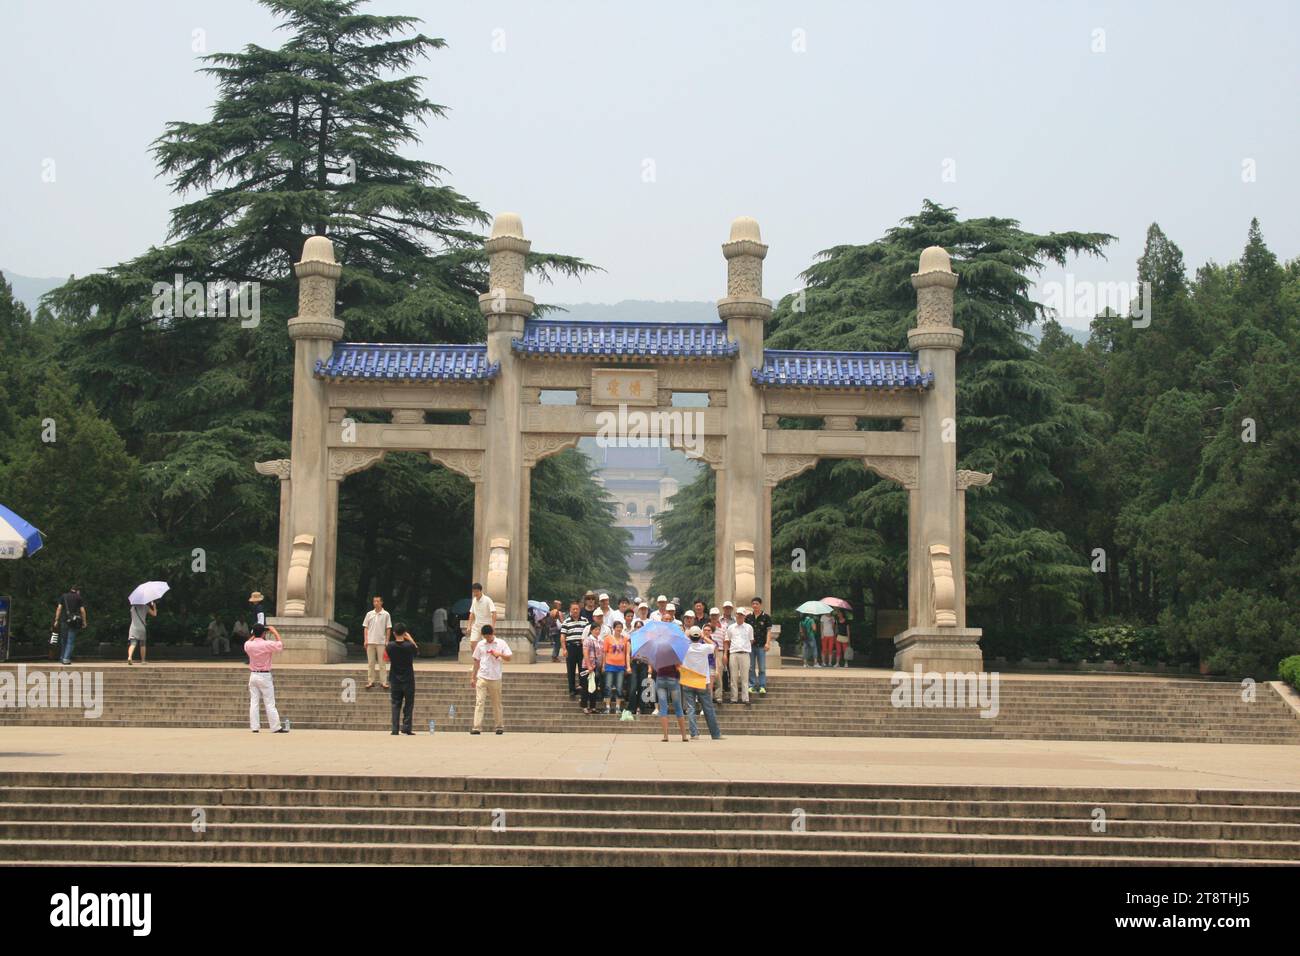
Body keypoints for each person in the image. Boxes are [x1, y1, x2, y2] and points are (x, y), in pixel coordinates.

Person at [245, 622, 288, 733]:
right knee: (269, 702)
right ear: (264, 633)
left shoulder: (248, 645)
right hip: (264, 675)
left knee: (254, 702)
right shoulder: (267, 644)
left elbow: (248, 642)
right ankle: (275, 727)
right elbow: (280, 645)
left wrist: (255, 634)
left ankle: (254, 727)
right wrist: (274, 631)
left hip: (253, 674)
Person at [681, 626, 722, 740]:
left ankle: (694, 733)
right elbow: (715, 646)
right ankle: (715, 734)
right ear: (699, 637)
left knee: (691, 708)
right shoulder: (705, 647)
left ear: (690, 637)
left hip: (688, 679)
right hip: (702, 680)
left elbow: (680, 641)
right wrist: (704, 636)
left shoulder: (685, 648)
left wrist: (687, 635)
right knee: (708, 708)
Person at [470, 624, 512, 734]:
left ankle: (499, 726)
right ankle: (476, 727)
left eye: (488, 637)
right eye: (485, 637)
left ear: (492, 633)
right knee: (479, 702)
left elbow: (509, 657)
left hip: (495, 677)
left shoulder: (501, 643)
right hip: (482, 676)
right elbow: (476, 661)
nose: (487, 639)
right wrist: (473, 677)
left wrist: (499, 654)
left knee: (496, 703)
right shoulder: (480, 644)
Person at [387, 623, 418, 735]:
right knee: (409, 704)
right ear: (405, 633)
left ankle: (395, 729)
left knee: (395, 703)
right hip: (408, 678)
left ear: (394, 633)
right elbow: (416, 651)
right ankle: (406, 727)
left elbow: (388, 655)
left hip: (395, 678)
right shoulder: (409, 646)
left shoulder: (390, 646)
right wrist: (410, 639)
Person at [650, 656, 689, 743]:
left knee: (663, 708)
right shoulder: (674, 652)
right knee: (678, 707)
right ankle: (684, 735)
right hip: (673, 679)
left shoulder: (658, 652)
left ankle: (665, 736)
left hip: (660, 679)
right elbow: (678, 666)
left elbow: (655, 667)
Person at [559, 601, 589, 697]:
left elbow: (588, 635)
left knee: (582, 669)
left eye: (577, 609)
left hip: (582, 648)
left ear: (580, 610)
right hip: (571, 648)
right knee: (571, 670)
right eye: (573, 609)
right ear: (570, 610)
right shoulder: (566, 622)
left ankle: (582, 688)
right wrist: (564, 649)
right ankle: (572, 690)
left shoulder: (585, 621)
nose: (575, 611)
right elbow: (563, 636)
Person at [362, 595, 392, 689]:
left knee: (382, 663)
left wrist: (387, 640)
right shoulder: (369, 614)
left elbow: (388, 628)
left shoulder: (386, 614)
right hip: (370, 641)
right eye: (374, 601)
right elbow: (366, 627)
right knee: (371, 663)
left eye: (378, 601)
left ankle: (383, 682)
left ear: (381, 602)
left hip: (381, 642)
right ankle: (371, 681)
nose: (376, 603)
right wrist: (365, 640)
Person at [52, 585, 86, 666]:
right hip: (73, 622)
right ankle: (66, 658)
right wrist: (84, 621)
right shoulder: (78, 598)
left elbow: (59, 608)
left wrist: (56, 620)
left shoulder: (64, 596)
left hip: (64, 620)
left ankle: (62, 657)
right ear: (77, 591)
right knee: (70, 641)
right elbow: (82, 611)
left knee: (64, 640)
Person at [602, 619, 629, 714]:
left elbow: (627, 654)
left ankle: (618, 707)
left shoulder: (625, 639)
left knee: (619, 686)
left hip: (621, 666)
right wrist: (603, 665)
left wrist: (628, 666)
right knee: (608, 686)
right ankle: (608, 707)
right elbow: (604, 653)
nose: (619, 629)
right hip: (609, 665)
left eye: (621, 627)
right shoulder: (608, 638)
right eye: (617, 627)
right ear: (614, 628)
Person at [727, 607, 754, 706]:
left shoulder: (749, 627)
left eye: (742, 615)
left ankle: (745, 698)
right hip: (734, 653)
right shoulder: (731, 627)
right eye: (738, 614)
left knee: (745, 677)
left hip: (745, 653)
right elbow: (728, 640)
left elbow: (751, 640)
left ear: (744, 616)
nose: (739, 616)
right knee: (733, 677)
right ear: (736, 615)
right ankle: (734, 698)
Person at [749, 598, 773, 694]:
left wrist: (768, 643)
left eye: (757, 604)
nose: (755, 605)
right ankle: (752, 685)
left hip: (761, 645)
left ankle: (762, 686)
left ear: (760, 605)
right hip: (751, 646)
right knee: (751, 667)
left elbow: (769, 631)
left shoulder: (766, 617)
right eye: (753, 603)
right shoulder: (748, 617)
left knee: (762, 667)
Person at [580, 620, 604, 714]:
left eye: (599, 629)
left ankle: (593, 706)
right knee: (585, 687)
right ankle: (584, 706)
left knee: (594, 688)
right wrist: (589, 666)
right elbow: (585, 654)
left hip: (596, 667)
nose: (597, 631)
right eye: (595, 629)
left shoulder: (600, 640)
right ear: (591, 630)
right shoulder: (588, 640)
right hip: (587, 667)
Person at [467, 582, 496, 650]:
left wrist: (493, 626)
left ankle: (487, 659)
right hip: (476, 625)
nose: (475, 594)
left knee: (488, 645)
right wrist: (469, 625)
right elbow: (472, 613)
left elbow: (494, 613)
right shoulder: (474, 600)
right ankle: (477, 660)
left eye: (476, 592)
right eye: (474, 592)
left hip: (486, 626)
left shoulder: (487, 600)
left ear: (480, 591)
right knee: (472, 643)